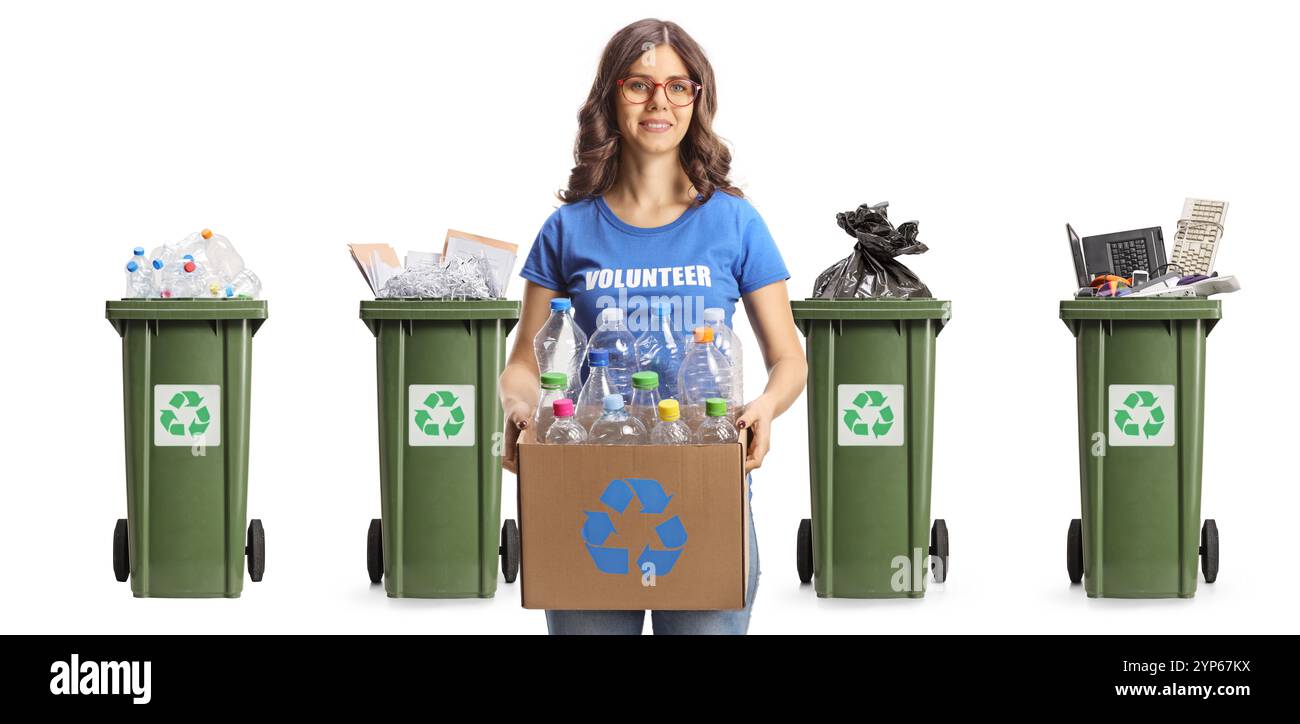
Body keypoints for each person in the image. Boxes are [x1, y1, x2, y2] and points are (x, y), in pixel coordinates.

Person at [498, 18, 807, 635]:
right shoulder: (568, 229)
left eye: (678, 86)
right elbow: (526, 360)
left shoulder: (735, 223)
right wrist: (519, 409)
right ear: (610, 97)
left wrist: (766, 408)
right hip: (587, 485)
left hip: (703, 483)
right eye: (639, 85)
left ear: (698, 98)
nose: (659, 102)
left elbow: (789, 358)